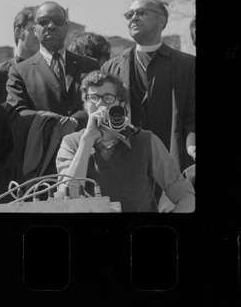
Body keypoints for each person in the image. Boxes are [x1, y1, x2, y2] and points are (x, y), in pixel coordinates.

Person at [56, 71, 194, 212]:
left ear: (121, 105)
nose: (100, 104)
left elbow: (186, 197)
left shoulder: (145, 141)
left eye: (108, 98)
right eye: (93, 98)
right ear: (85, 104)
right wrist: (87, 140)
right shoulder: (71, 143)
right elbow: (66, 198)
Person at [4, 1, 98, 184]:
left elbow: (100, 103)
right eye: (44, 21)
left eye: (57, 21)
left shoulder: (90, 65)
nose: (51, 26)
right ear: (35, 29)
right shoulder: (20, 71)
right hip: (43, 169)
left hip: (89, 161)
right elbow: (17, 114)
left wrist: (75, 122)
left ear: (67, 26)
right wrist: (59, 125)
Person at [101, 0, 195, 172]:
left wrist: (192, 145)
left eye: (141, 13)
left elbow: (193, 116)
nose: (133, 18)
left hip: (174, 163)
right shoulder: (111, 68)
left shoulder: (188, 65)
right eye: (130, 14)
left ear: (162, 20)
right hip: (129, 166)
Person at [0, 6, 38, 197]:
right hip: (3, 173)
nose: (40, 34)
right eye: (34, 28)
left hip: (41, 170)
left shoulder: (49, 76)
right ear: (18, 31)